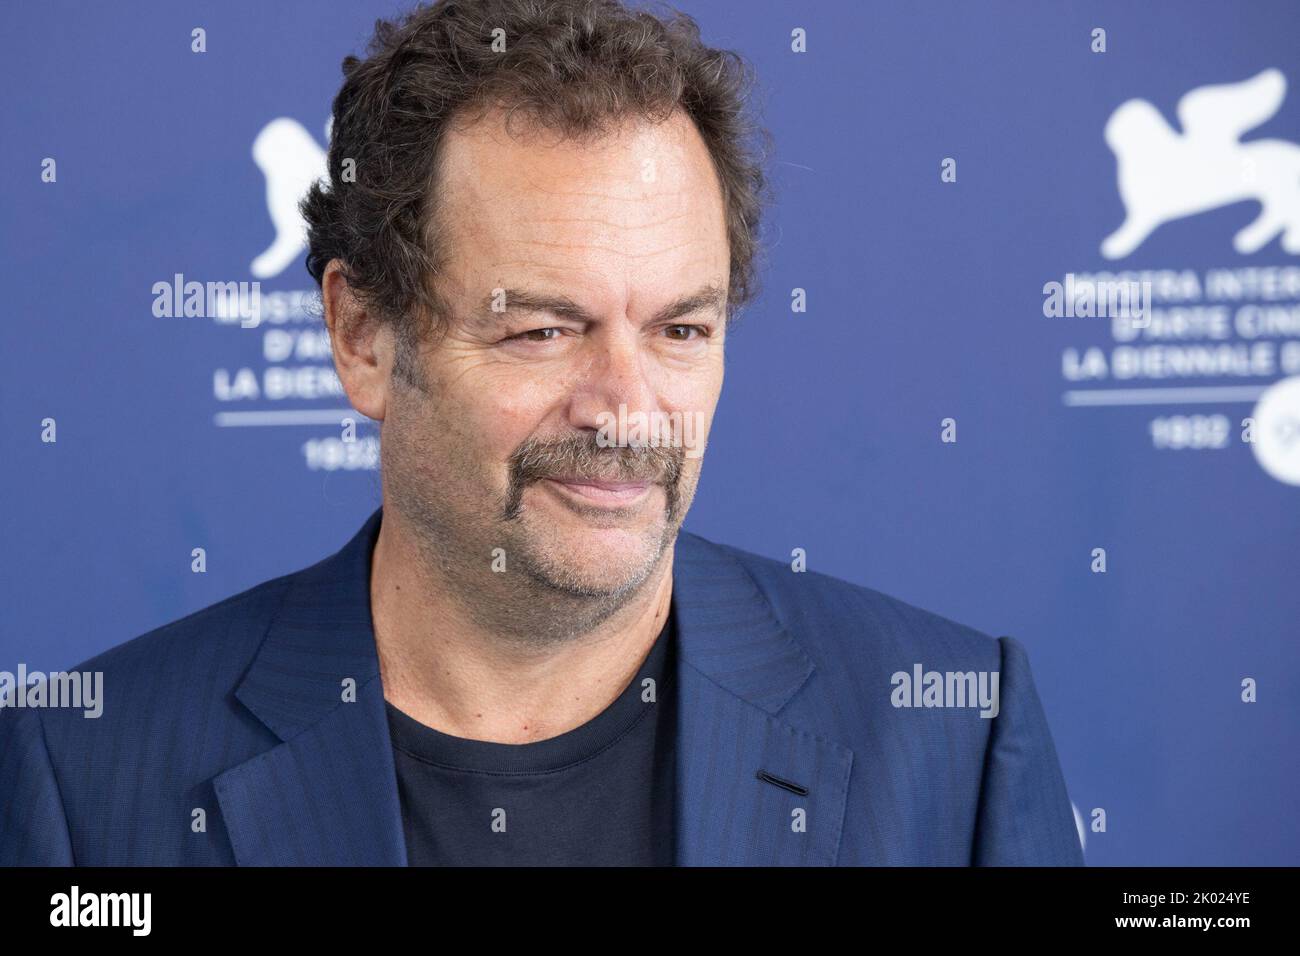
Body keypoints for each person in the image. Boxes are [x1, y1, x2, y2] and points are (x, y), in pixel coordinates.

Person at [0, 0, 1082, 866]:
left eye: (680, 327)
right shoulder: (89, 772)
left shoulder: (949, 737)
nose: (623, 406)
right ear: (362, 334)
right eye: (541, 328)